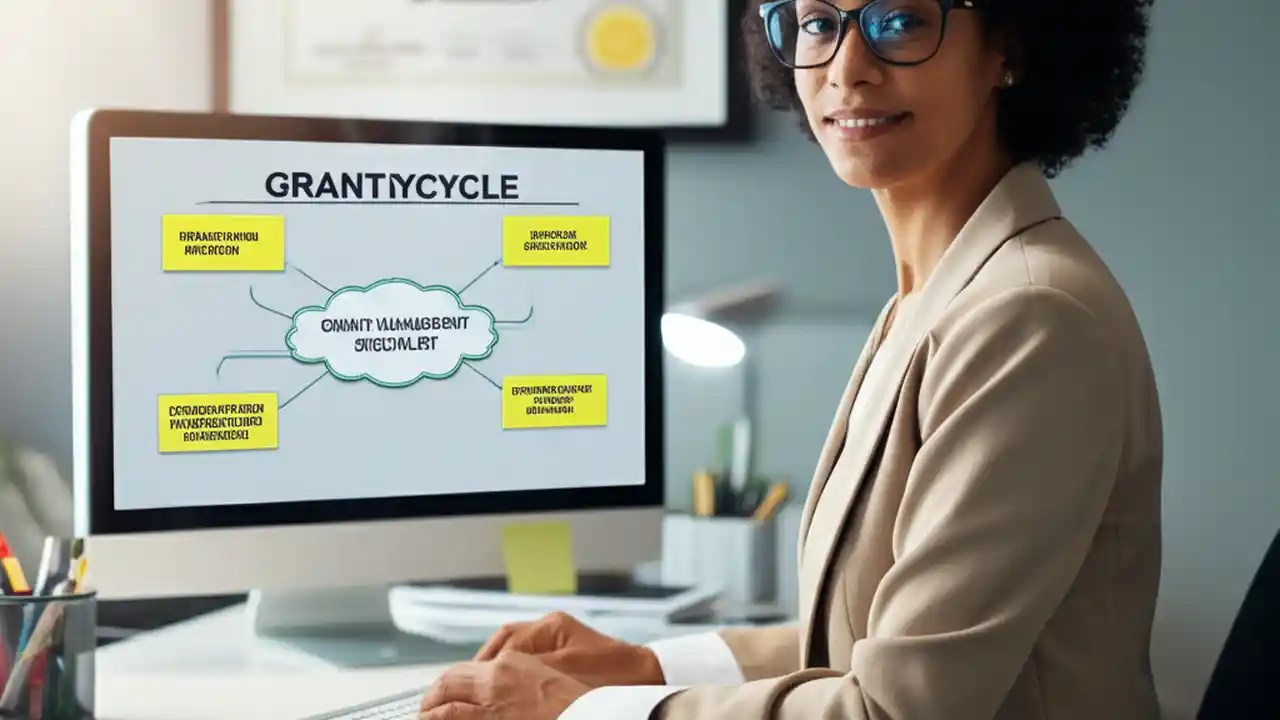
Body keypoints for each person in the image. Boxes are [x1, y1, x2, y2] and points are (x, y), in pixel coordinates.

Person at [418, 0, 1162, 717]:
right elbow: (865, 641)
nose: (847, 68)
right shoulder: (939, 294)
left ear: (1012, 46)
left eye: (900, 21)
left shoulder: (1028, 316)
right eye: (817, 23)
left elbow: (894, 709)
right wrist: (648, 666)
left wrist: (587, 712)